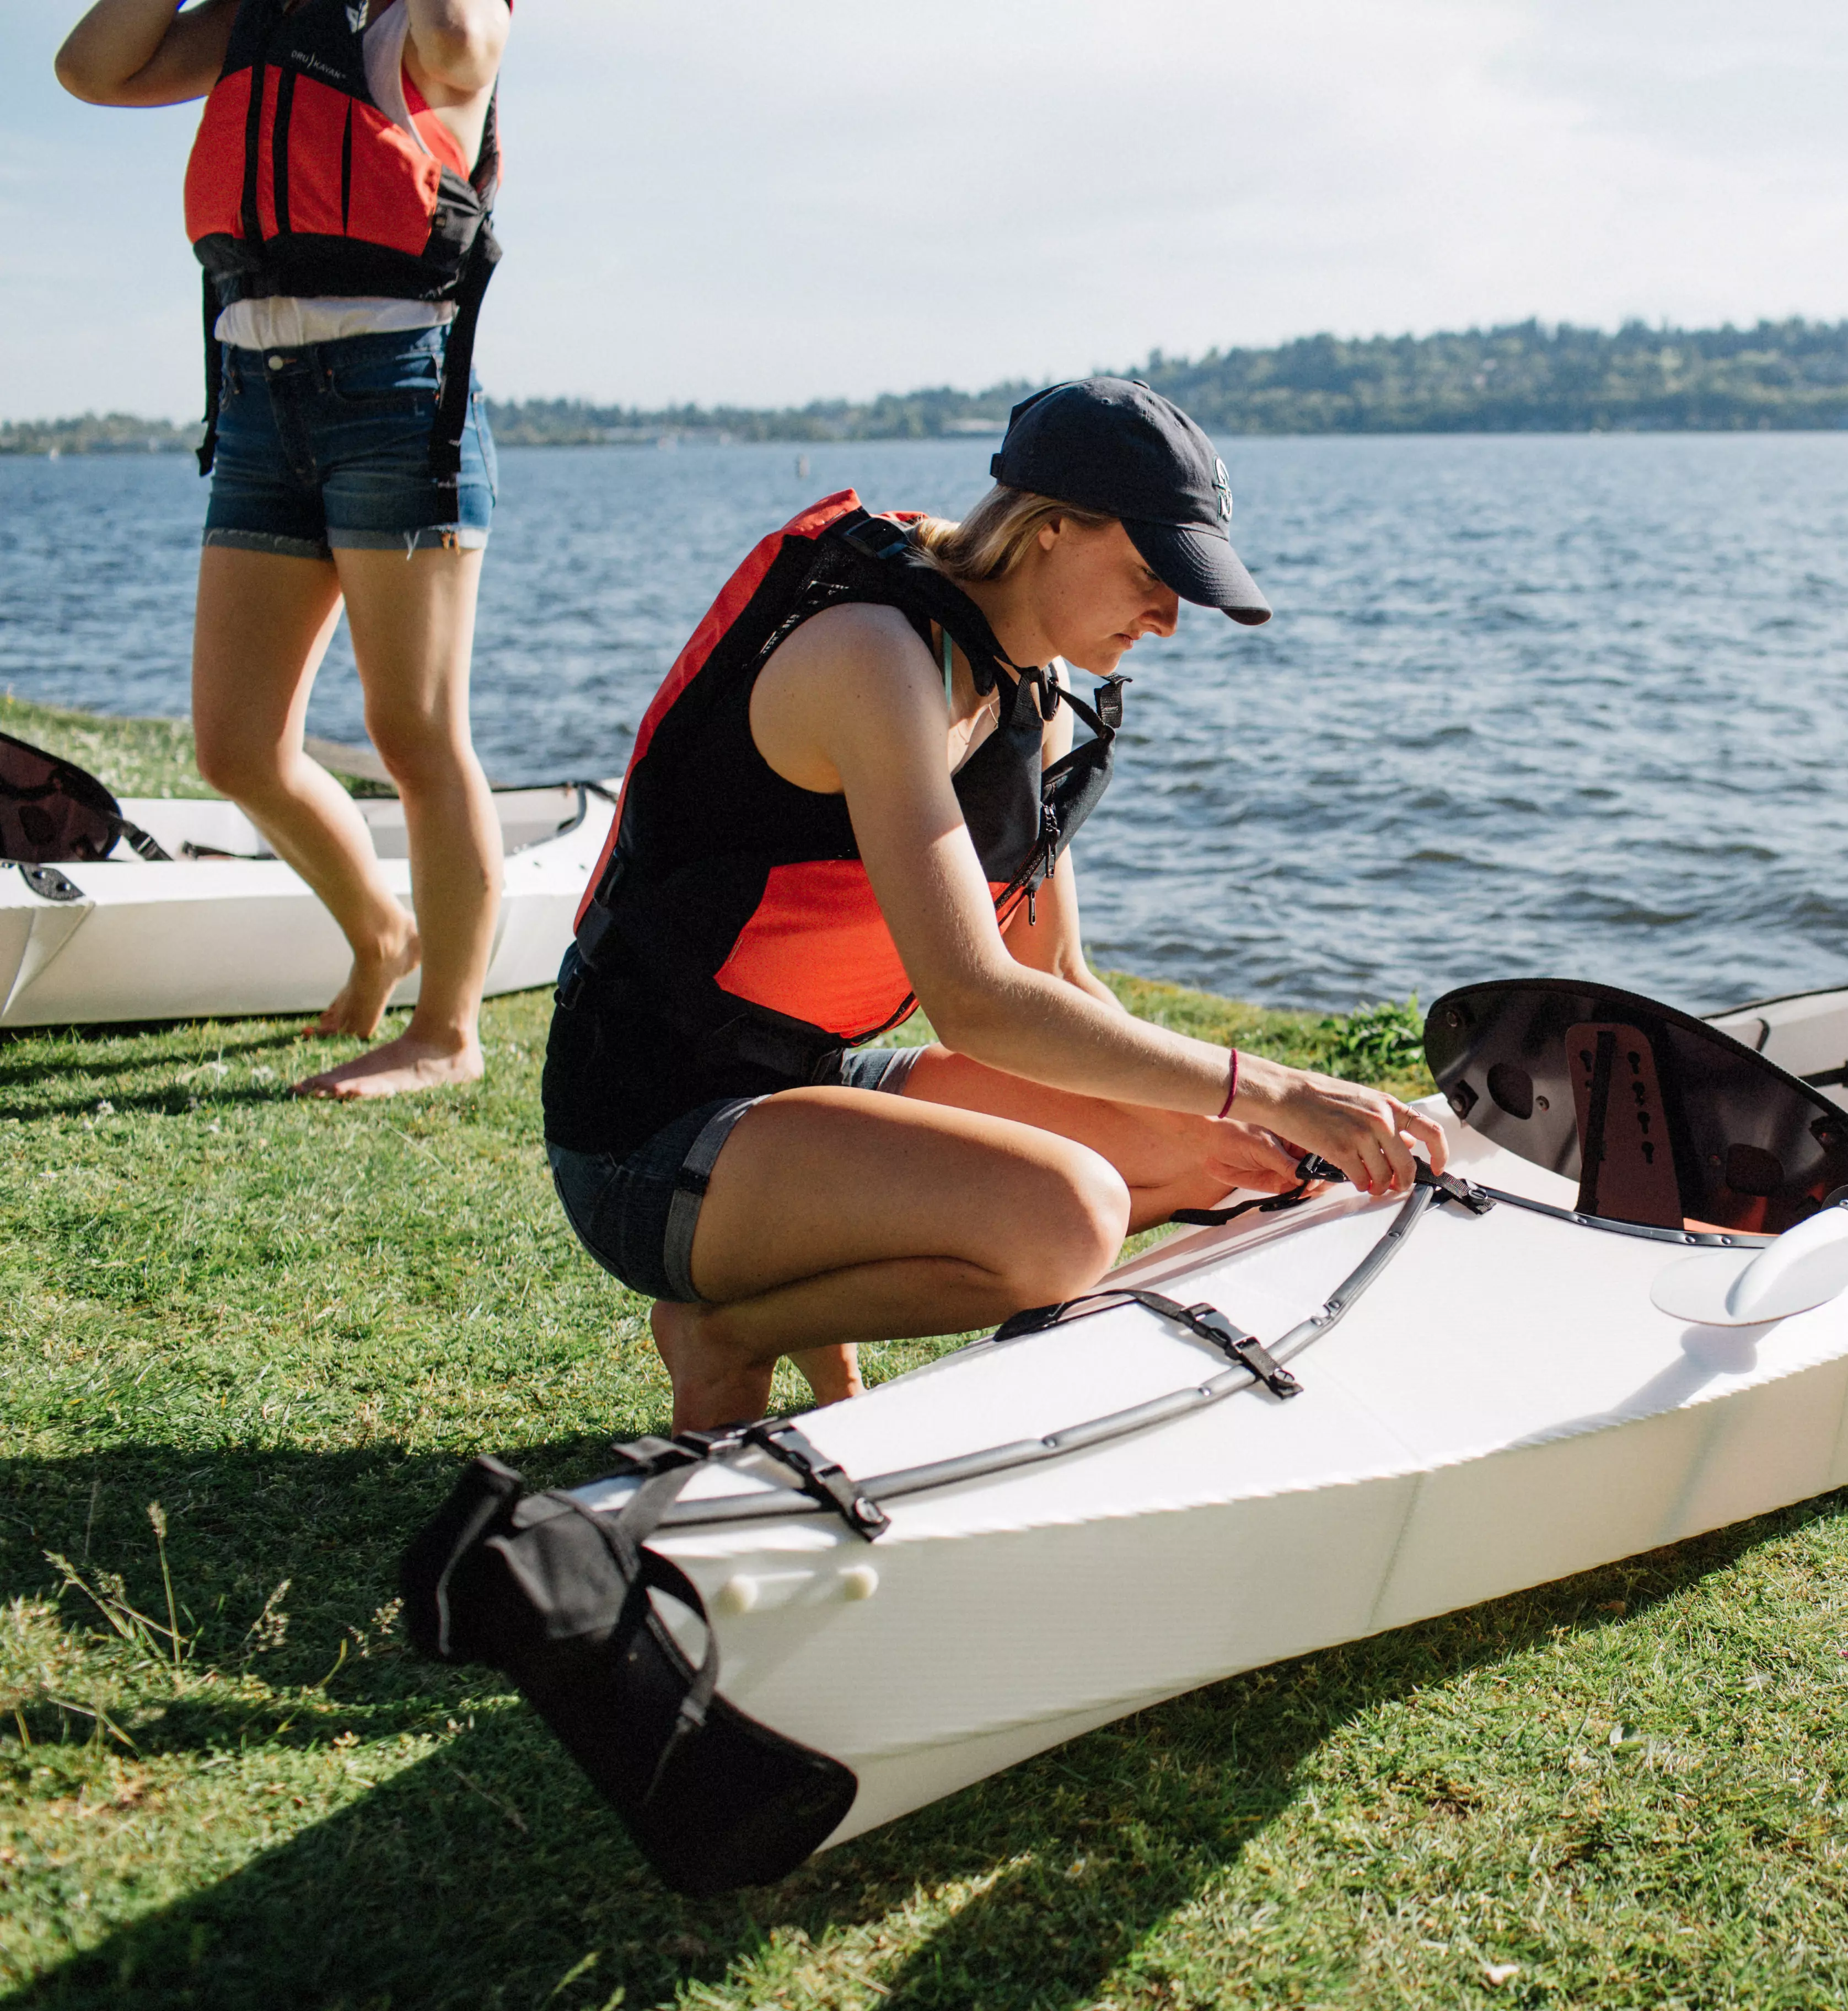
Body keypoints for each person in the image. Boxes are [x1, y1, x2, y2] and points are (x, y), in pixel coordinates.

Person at [541, 379, 1449, 1431]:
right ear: (1051, 530)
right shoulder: (873, 656)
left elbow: (1056, 976)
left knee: (1214, 1152)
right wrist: (1274, 1085)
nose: (1168, 621)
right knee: (1070, 1217)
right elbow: (976, 1001)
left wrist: (1251, 1117)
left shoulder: (1031, 683)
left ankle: (788, 1305)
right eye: (1154, 575)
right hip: (650, 1132)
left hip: (808, 1077)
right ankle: (724, 1335)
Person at [56, 0, 513, 1099]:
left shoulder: (441, 20)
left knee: (413, 733)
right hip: (261, 400)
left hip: (397, 395)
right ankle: (380, 933)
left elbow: (454, 46)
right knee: (239, 746)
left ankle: (447, 1034)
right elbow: (90, 69)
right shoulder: (257, 17)